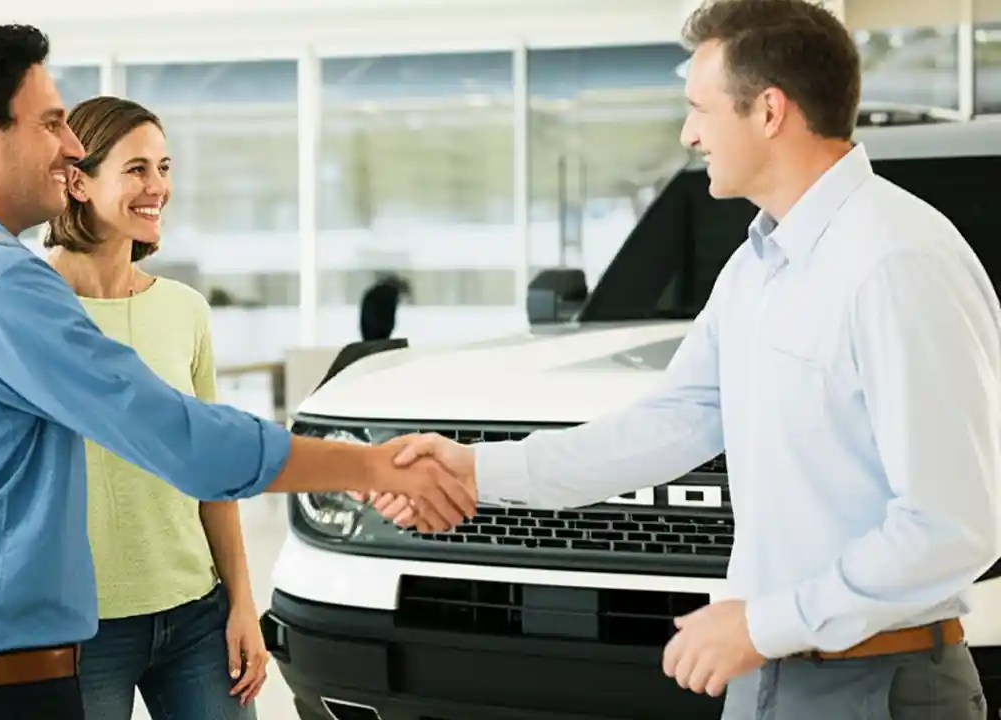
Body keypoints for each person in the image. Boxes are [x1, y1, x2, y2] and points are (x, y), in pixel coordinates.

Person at [0, 23, 475, 720]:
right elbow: (184, 440)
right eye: (51, 122)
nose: (69, 148)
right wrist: (372, 470)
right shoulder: (0, 283)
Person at [378, 1, 1000, 717]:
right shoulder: (756, 267)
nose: (688, 132)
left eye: (699, 108)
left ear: (769, 110)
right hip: (764, 675)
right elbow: (671, 423)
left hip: (875, 682)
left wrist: (761, 623)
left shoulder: (897, 261)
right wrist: (477, 468)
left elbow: (951, 525)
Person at [42, 96, 265, 719]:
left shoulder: (185, 309)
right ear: (79, 181)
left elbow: (212, 464)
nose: (158, 187)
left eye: (164, 168)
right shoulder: (28, 305)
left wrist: (242, 602)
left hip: (196, 614)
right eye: (137, 169)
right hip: (80, 628)